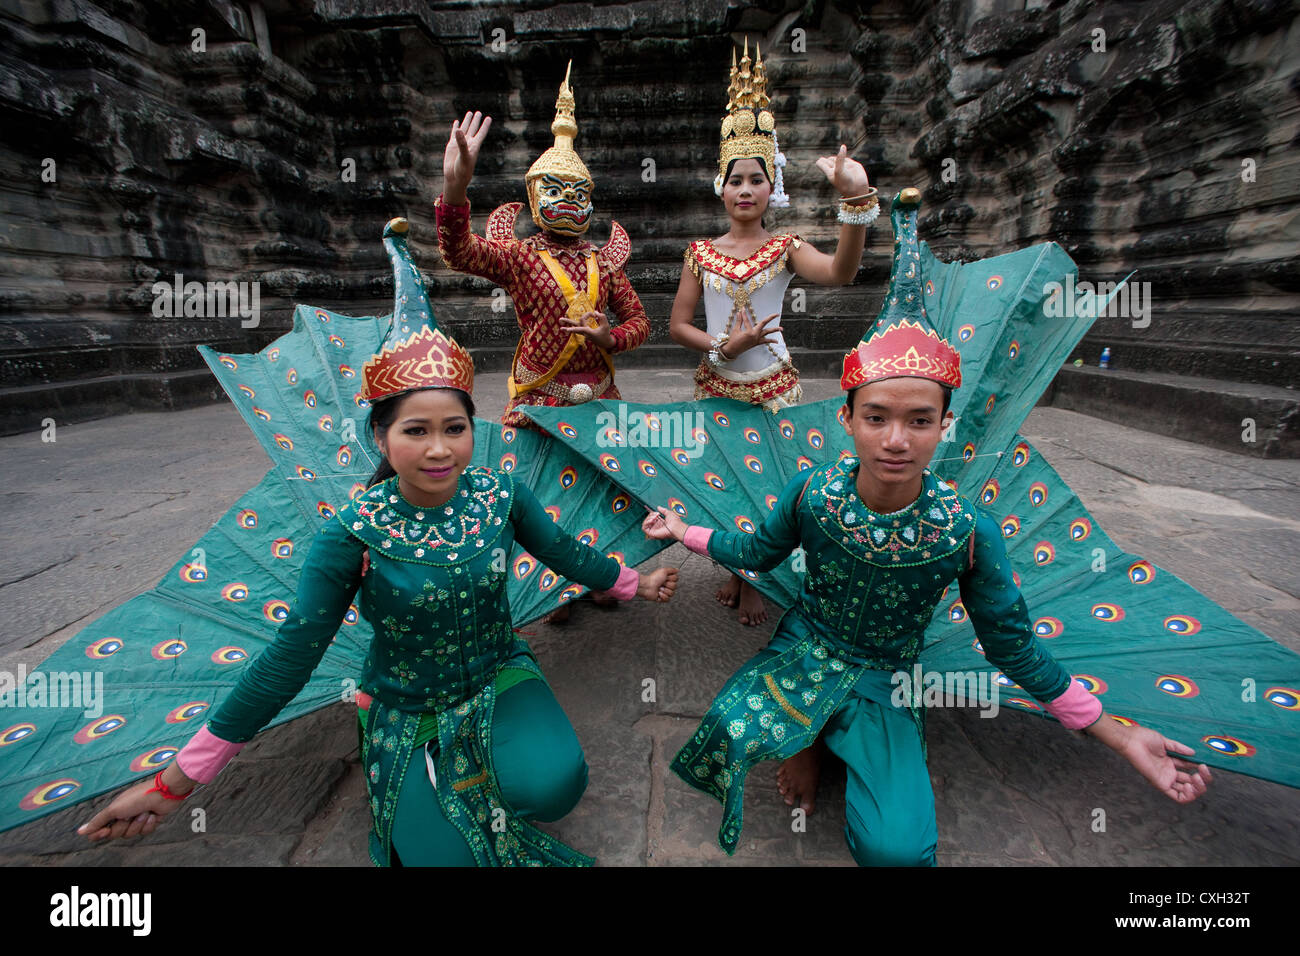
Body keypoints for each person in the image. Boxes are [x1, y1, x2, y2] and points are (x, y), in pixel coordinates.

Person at [77, 219, 679, 866]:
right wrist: (176, 784)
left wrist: (629, 582)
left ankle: (472, 770)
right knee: (443, 861)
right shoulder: (352, 533)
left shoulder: (502, 496)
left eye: (456, 427)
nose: (441, 449)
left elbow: (565, 553)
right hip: (404, 703)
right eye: (416, 431)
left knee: (557, 785)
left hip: (497, 673)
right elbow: (288, 659)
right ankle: (407, 764)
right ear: (382, 439)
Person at [641, 195, 1211, 864]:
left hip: (890, 680)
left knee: (898, 855)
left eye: (918, 420)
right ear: (847, 419)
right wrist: (686, 531)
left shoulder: (968, 532)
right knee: (731, 734)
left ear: (945, 426)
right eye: (877, 417)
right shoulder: (812, 494)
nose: (894, 440)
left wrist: (1118, 736)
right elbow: (757, 554)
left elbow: (1015, 648)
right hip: (805, 651)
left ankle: (828, 738)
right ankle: (810, 744)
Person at [669, 41, 877, 628]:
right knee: (728, 480)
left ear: (771, 187)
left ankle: (757, 577)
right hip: (716, 380)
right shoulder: (699, 252)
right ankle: (739, 573)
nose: (744, 190)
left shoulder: (785, 247)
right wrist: (720, 346)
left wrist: (854, 201)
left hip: (773, 383)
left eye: (756, 180)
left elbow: (841, 273)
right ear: (720, 184)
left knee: (771, 486)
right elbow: (678, 325)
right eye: (735, 179)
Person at [435, 63, 650, 434]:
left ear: (590, 204)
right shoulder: (520, 257)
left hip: (600, 397)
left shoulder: (604, 263)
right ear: (534, 198)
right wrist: (456, 190)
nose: (567, 200)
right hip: (539, 399)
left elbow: (641, 323)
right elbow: (459, 252)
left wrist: (610, 337)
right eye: (553, 191)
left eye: (578, 194)